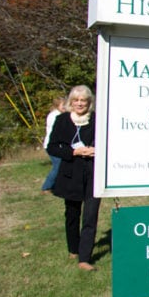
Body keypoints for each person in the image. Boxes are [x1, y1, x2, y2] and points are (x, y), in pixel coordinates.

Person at [47, 85, 101, 271]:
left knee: (90, 215)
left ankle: (84, 258)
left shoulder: (97, 120)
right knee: (72, 213)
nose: (80, 104)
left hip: (94, 172)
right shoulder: (62, 120)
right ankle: (73, 249)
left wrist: (97, 150)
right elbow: (52, 147)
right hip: (71, 173)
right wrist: (73, 151)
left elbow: (109, 143)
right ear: (71, 102)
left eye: (83, 100)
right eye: (76, 100)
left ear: (89, 102)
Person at [40, 96, 68, 193]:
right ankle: (46, 187)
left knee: (62, 165)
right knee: (58, 166)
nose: (65, 107)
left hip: (59, 146)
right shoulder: (54, 116)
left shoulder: (60, 114)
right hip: (52, 145)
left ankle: (58, 185)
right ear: (57, 106)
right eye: (63, 105)